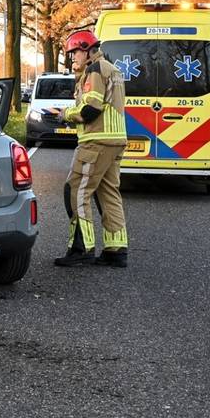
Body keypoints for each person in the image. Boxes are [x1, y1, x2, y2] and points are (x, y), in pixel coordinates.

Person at [48, 30, 129, 268]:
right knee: (108, 193)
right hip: (115, 140)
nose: (72, 58)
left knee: (75, 190)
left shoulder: (94, 71)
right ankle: (116, 249)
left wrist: (65, 115)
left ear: (86, 49)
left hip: (96, 140)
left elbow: (90, 109)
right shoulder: (111, 69)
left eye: (74, 53)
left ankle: (82, 248)